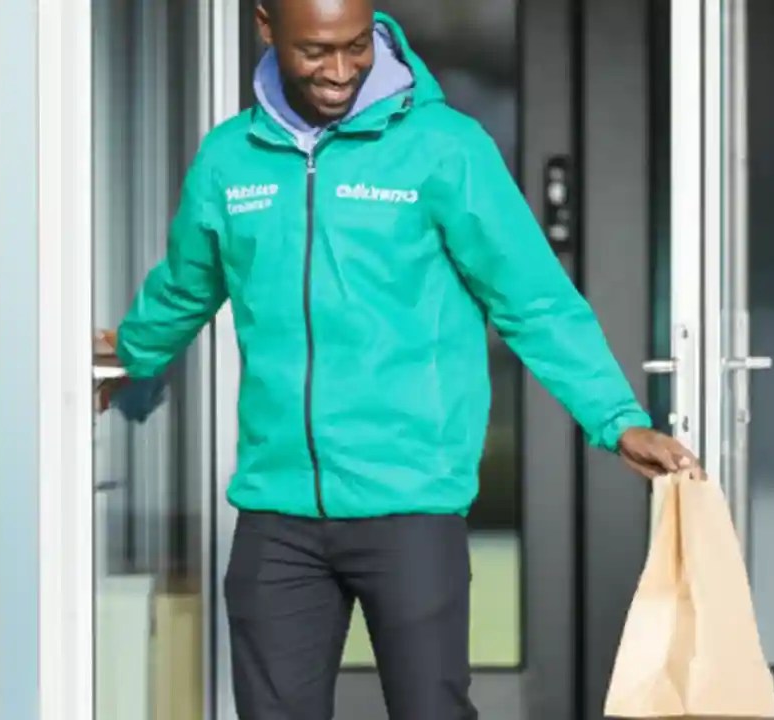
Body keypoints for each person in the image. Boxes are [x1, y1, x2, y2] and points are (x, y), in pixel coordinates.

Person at [95, 1, 695, 718]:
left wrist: (616, 420)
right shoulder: (230, 159)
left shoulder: (445, 148)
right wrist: (123, 360)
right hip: (277, 510)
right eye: (316, 53)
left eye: (356, 48)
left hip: (410, 503)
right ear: (265, 27)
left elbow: (533, 301)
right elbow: (185, 288)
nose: (341, 72)